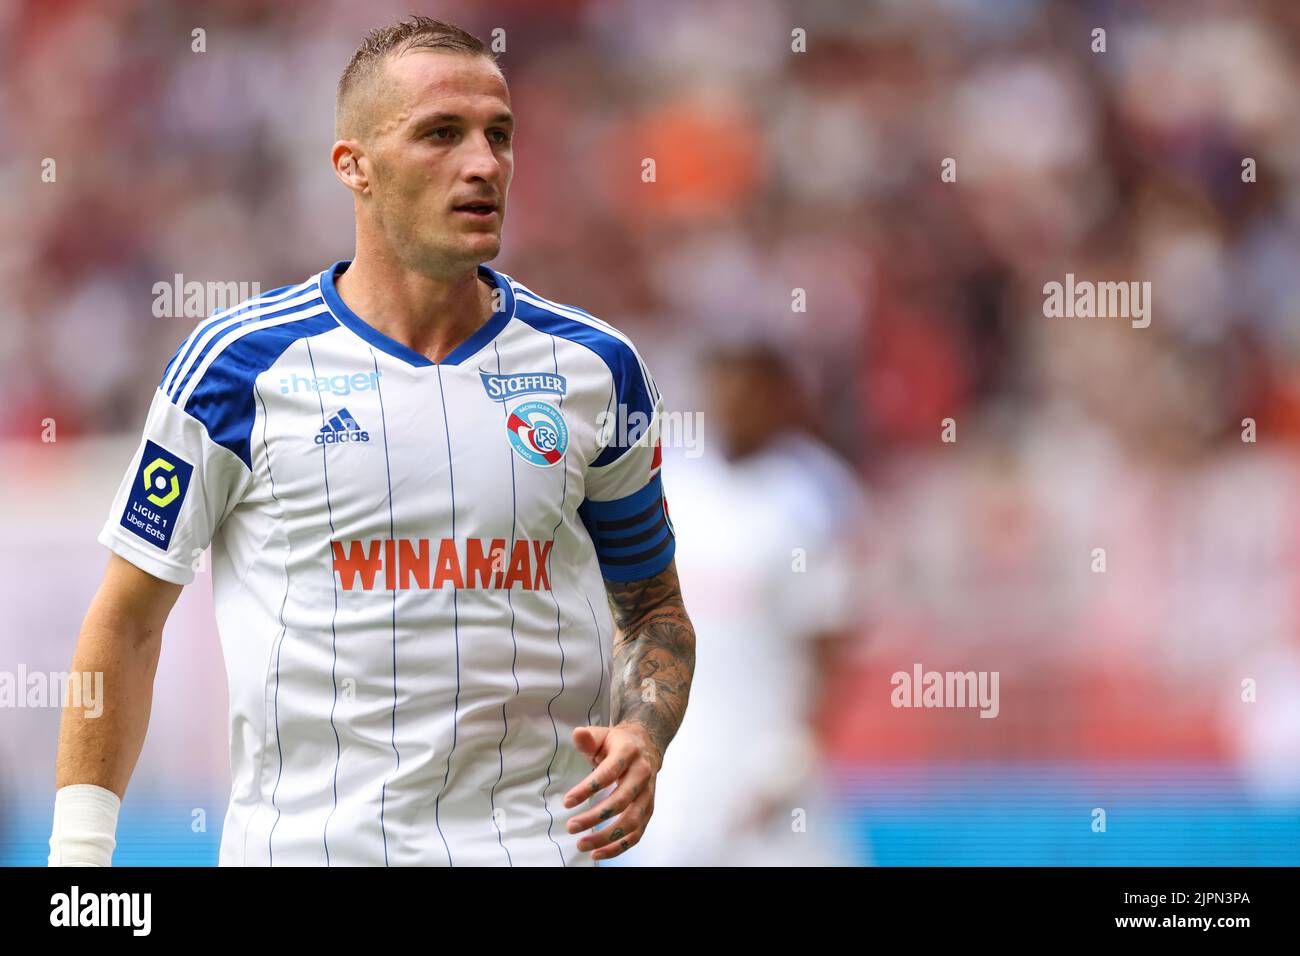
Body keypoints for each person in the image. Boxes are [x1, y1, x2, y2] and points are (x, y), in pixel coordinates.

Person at [48, 16, 694, 867]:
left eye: (499, 135)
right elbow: (126, 622)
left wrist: (645, 732)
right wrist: (79, 860)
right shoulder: (237, 368)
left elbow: (652, 612)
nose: (483, 163)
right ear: (353, 166)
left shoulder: (595, 370)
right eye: (441, 133)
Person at [614, 342, 866, 866]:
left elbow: (830, 638)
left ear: (780, 398)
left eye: (746, 390)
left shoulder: (812, 494)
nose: (731, 404)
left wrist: (794, 751)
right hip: (682, 745)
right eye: (721, 388)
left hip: (764, 744)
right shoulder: (673, 484)